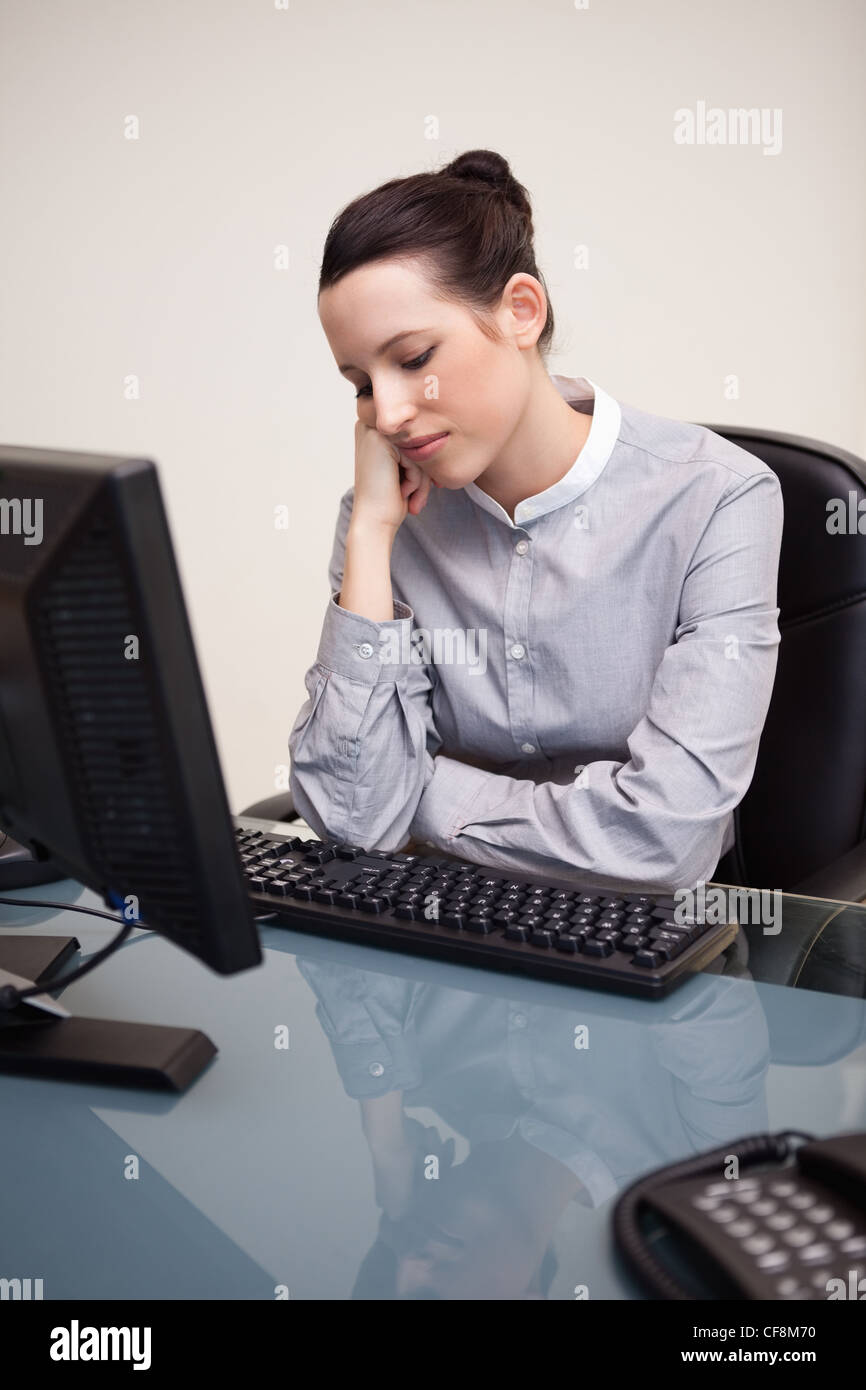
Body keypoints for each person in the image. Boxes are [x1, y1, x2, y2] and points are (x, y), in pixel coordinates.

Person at [288, 149, 784, 894]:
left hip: (648, 957)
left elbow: (663, 844)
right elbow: (354, 818)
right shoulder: (384, 517)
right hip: (436, 936)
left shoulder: (718, 497)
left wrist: (418, 793)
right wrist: (369, 535)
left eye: (413, 357)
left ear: (521, 311)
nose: (385, 414)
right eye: (360, 384)